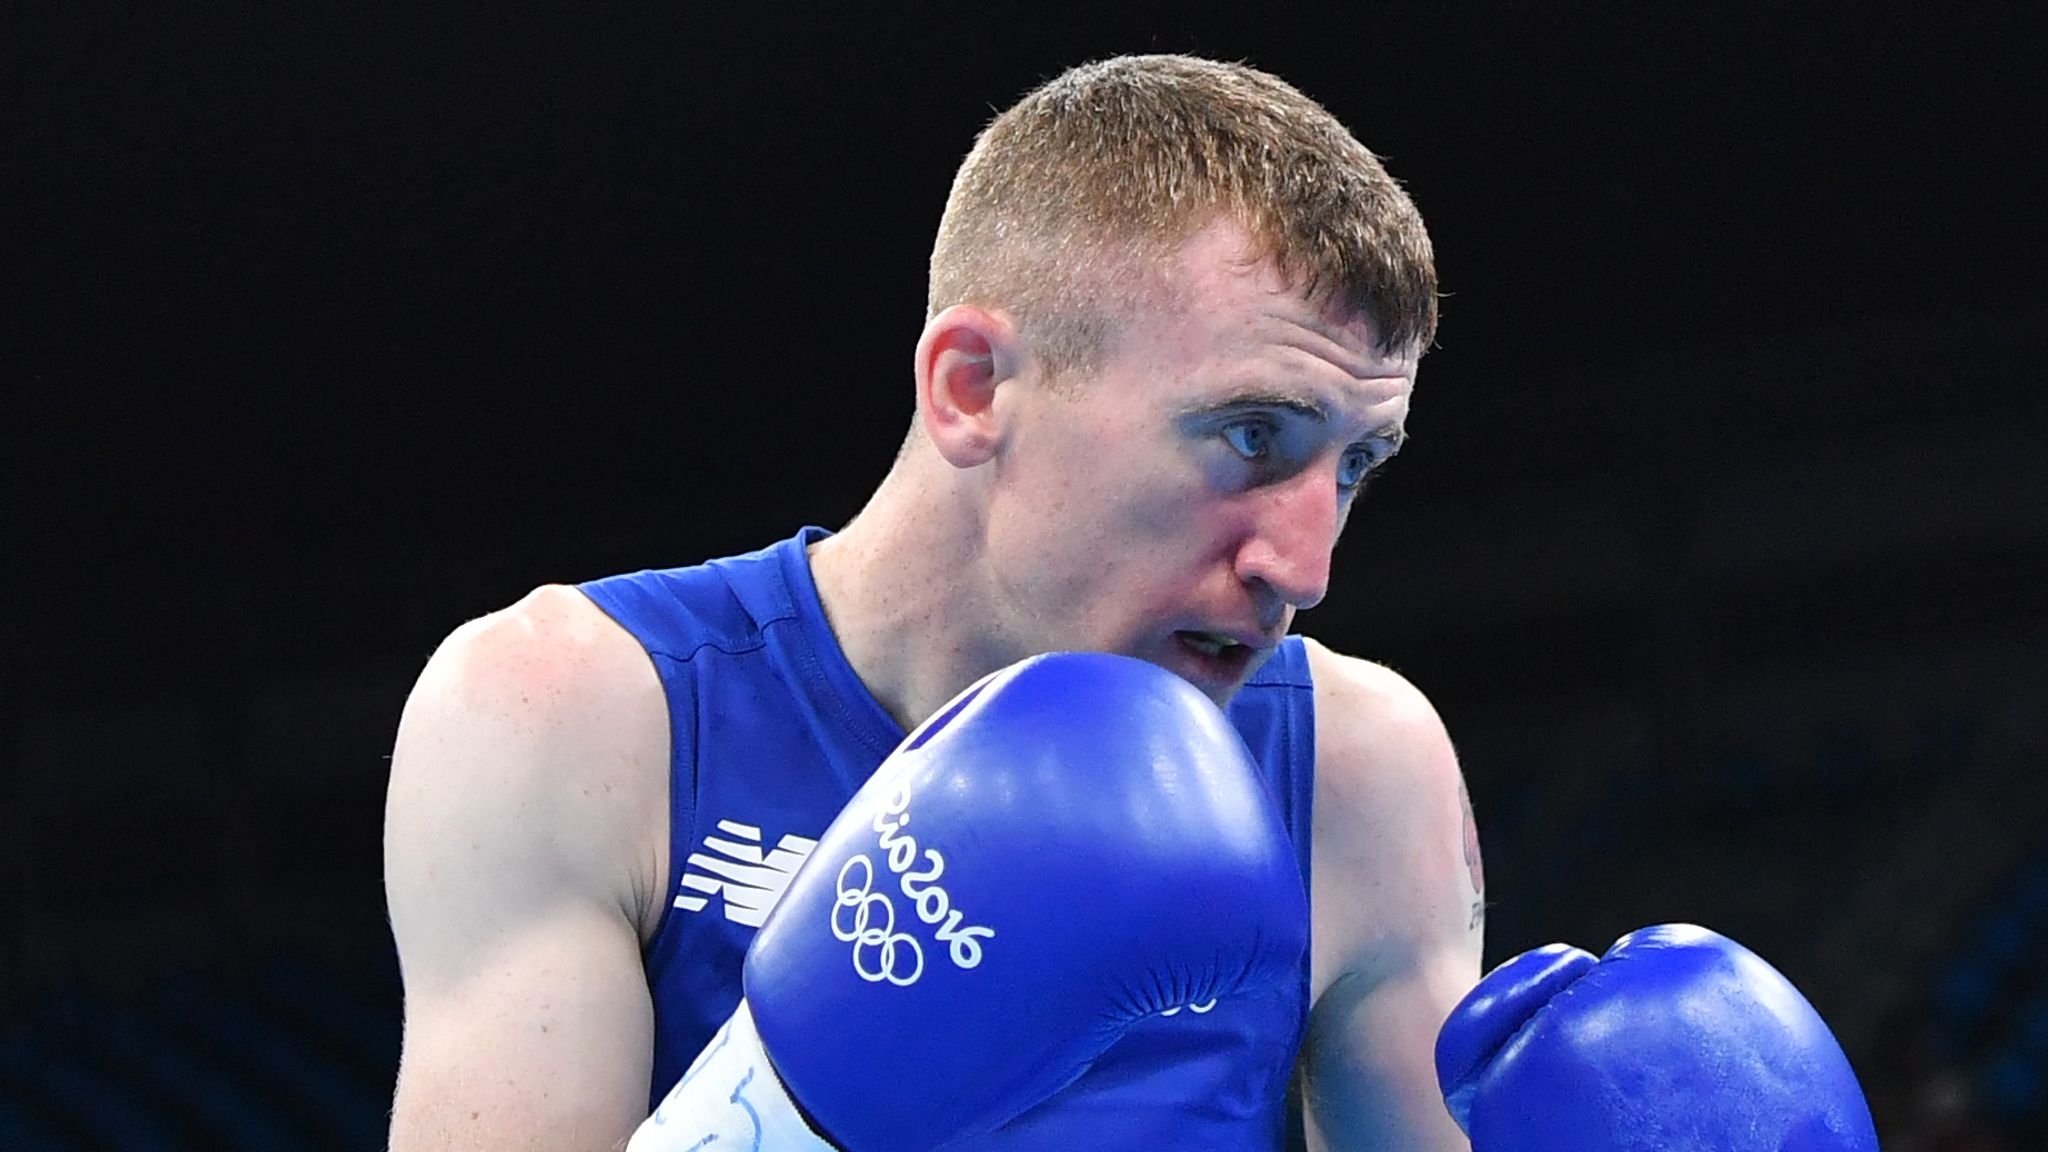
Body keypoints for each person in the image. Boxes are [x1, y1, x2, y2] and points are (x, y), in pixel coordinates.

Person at [382, 54, 1873, 1152]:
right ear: (973, 389)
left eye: (1354, 465)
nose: (1305, 560)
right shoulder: (576, 710)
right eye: (1251, 439)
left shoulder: (1357, 769)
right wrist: (790, 1103)